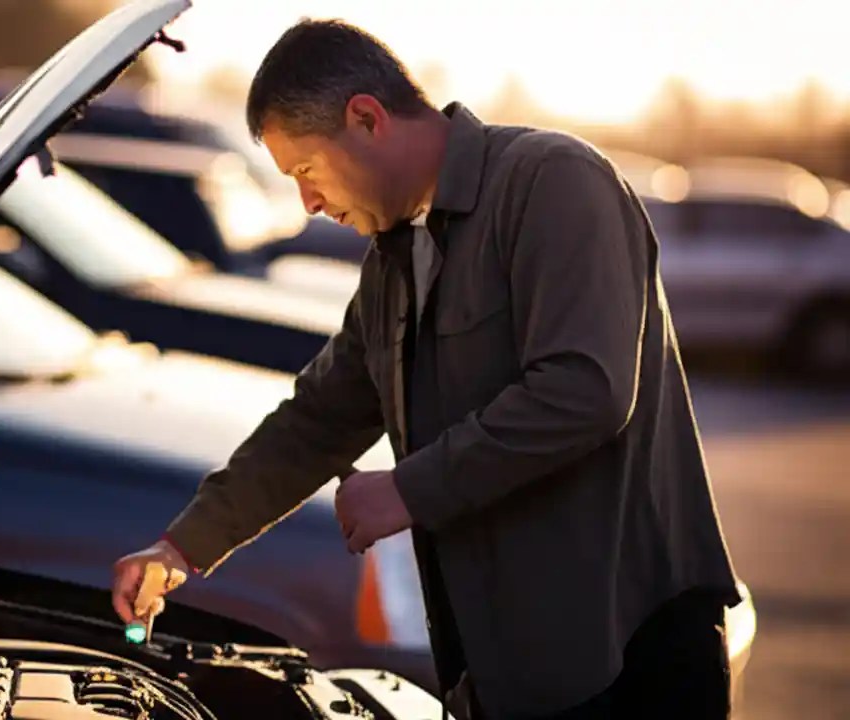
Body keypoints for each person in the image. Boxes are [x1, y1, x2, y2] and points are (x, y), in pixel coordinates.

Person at [111, 18, 742, 720]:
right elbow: (316, 419)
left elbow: (585, 388)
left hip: (630, 663)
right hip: (508, 672)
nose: (308, 203)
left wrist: (408, 489)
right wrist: (182, 545)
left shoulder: (553, 182)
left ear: (366, 118)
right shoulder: (392, 260)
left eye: (306, 172)